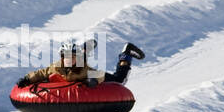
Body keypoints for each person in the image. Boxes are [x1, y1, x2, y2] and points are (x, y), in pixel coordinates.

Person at [16, 39, 145, 88]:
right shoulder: (56, 67)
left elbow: (99, 75)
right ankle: (85, 47)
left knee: (119, 80)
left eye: (72, 57)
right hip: (78, 62)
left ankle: (126, 54)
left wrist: (93, 81)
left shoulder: (84, 68)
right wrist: (27, 79)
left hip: (87, 72)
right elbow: (41, 73)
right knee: (78, 58)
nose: (68, 59)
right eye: (65, 57)